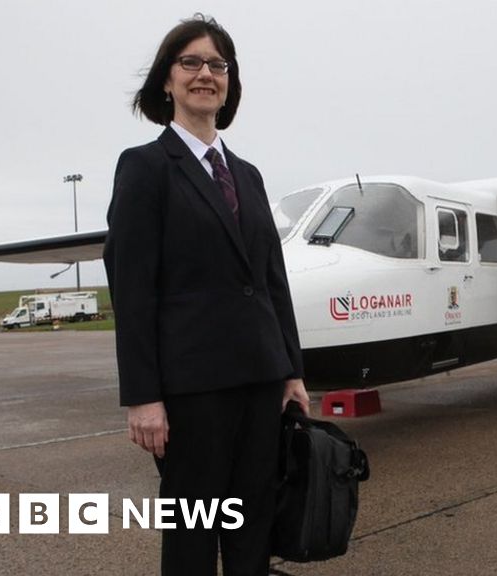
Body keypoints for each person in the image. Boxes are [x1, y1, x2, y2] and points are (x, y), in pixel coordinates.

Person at [103, 14, 309, 576]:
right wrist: (143, 397)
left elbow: (271, 280)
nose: (205, 74)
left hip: (260, 382)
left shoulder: (248, 175)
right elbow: (132, 286)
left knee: (252, 533)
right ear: (166, 82)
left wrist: (290, 369)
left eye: (217, 65)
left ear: (228, 83)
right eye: (190, 62)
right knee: (193, 541)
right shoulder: (145, 169)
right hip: (192, 393)